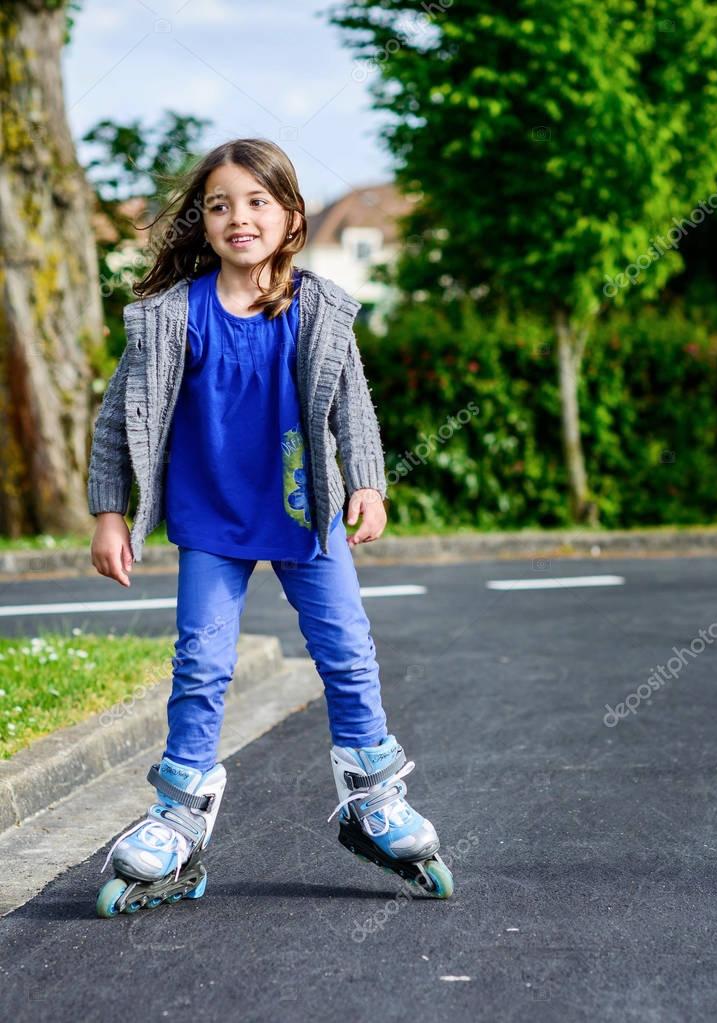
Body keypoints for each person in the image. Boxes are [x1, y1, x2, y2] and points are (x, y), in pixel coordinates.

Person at [88, 138, 452, 917]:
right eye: (219, 205)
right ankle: (180, 810)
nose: (237, 217)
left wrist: (368, 483)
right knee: (202, 664)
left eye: (257, 202)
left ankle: (372, 795)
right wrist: (109, 511)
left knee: (348, 651)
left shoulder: (318, 308)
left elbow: (352, 401)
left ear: (291, 215)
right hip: (210, 519)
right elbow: (119, 418)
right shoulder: (171, 317)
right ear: (203, 221)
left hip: (305, 511)